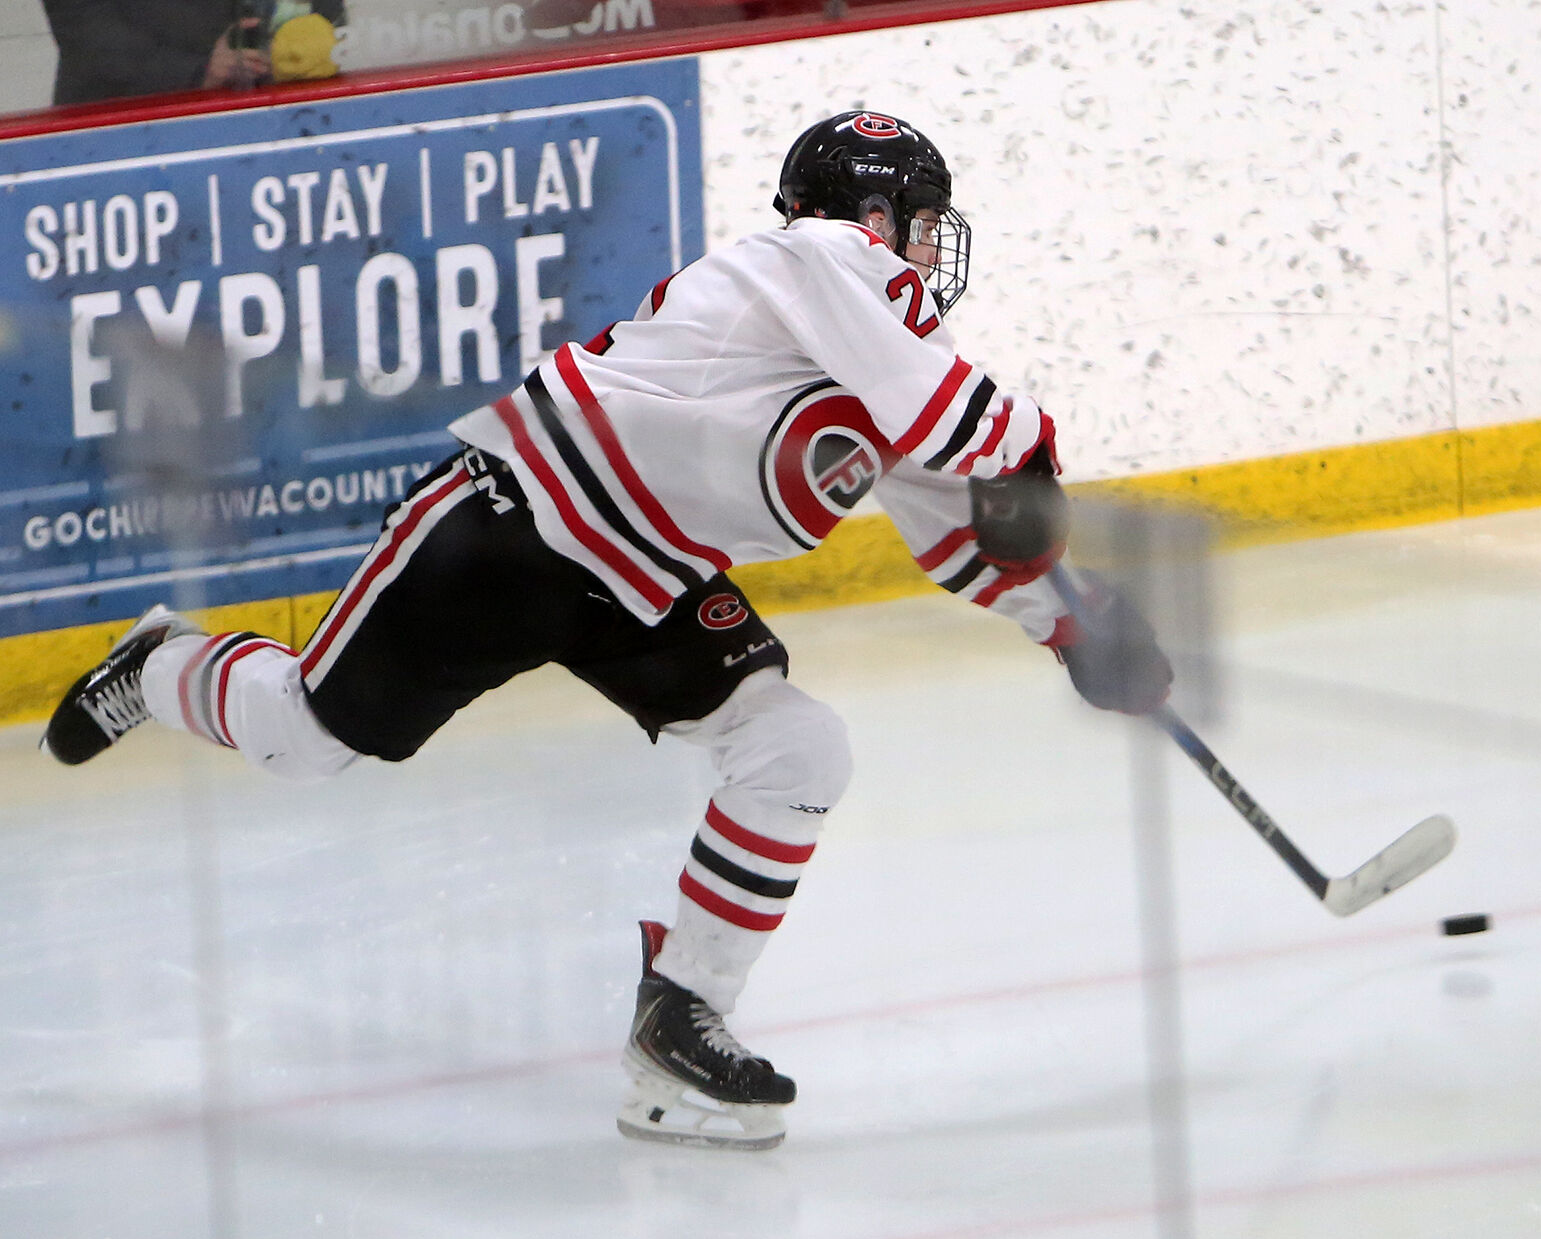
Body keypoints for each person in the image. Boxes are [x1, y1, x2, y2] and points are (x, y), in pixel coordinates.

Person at [42, 110, 1172, 1149]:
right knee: (304, 739)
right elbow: (970, 430)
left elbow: (962, 516)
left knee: (797, 747)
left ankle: (680, 1022)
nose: (928, 247)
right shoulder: (815, 258)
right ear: (871, 216)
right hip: (517, 527)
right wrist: (1028, 462)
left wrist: (1075, 626)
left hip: (645, 578)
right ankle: (163, 663)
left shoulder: (890, 348)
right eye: (918, 221)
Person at [43, 0, 343, 107]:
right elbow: (83, 30)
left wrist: (308, 45)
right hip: (124, 138)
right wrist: (199, 72)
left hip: (277, 126)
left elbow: (326, 16)